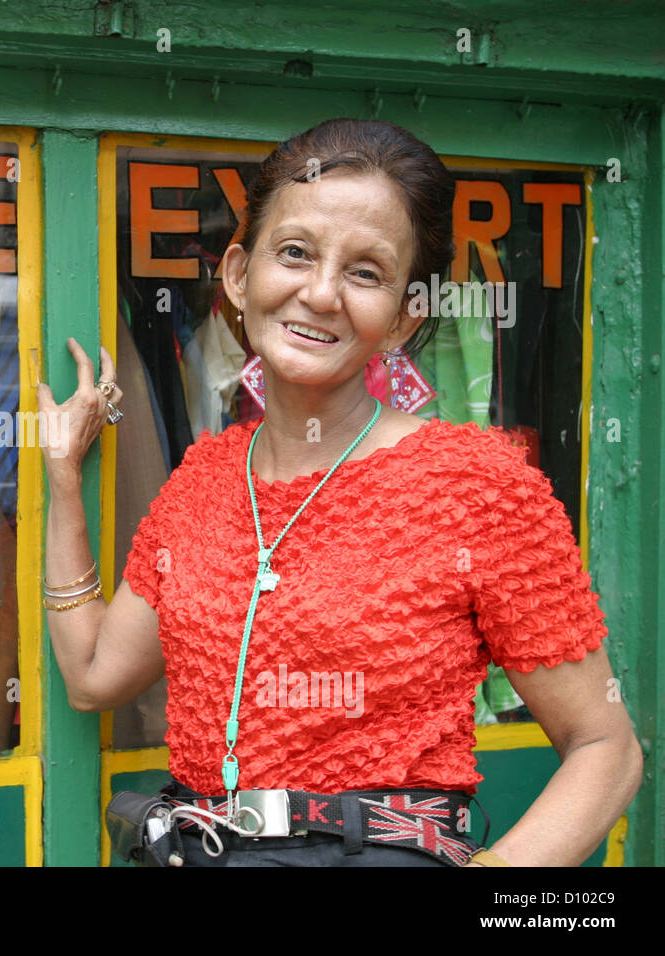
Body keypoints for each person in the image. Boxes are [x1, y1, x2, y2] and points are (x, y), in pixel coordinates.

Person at [37, 117, 643, 867]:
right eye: (294, 253)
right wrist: (64, 479)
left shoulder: (477, 487)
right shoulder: (202, 481)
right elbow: (95, 675)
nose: (320, 294)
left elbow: (605, 746)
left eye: (366, 272)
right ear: (237, 274)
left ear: (405, 315)